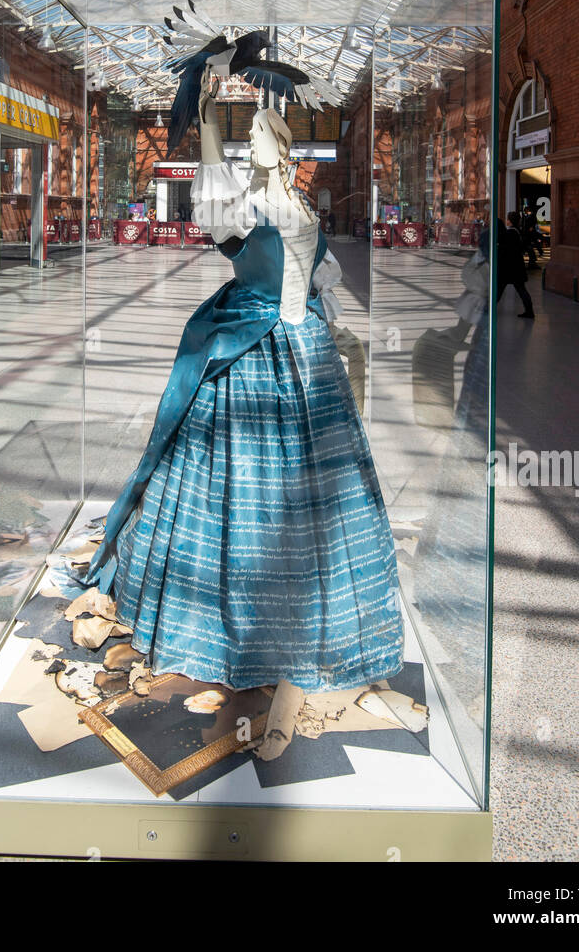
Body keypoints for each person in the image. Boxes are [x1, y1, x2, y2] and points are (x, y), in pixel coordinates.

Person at [74, 69, 404, 693]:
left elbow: (301, 265)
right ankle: (266, 618)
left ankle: (298, 617)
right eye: (247, 140)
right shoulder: (262, 208)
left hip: (283, 350)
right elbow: (220, 209)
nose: (250, 148)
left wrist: (203, 119)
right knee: (260, 472)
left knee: (285, 477)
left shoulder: (281, 207)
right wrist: (203, 116)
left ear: (281, 146)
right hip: (281, 351)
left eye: (259, 139)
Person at [498, 212, 535, 318]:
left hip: (509, 267)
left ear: (510, 220)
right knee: (521, 289)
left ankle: (487, 309)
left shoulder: (510, 233)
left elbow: (506, 250)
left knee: (499, 289)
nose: (506, 220)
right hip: (517, 265)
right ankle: (529, 311)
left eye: (507, 219)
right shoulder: (518, 231)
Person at [520, 203, 540, 269]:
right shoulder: (526, 217)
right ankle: (532, 263)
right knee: (529, 249)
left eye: (525, 210)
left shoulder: (531, 216)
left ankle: (532, 262)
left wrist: (531, 228)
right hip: (526, 235)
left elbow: (532, 223)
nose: (525, 212)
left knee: (529, 249)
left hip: (528, 234)